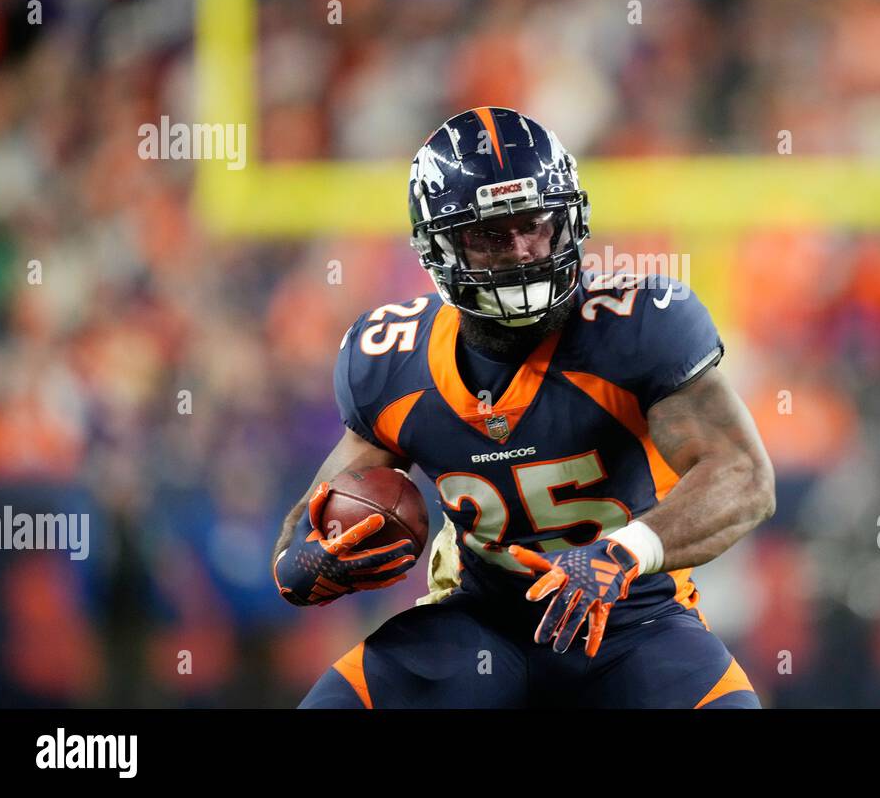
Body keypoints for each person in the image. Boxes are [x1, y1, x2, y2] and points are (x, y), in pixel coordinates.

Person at [272, 106, 774, 708]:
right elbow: (315, 515)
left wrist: (623, 552)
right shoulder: (391, 359)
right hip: (477, 624)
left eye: (532, 223)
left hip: (635, 627)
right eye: (487, 235)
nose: (518, 251)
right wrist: (305, 562)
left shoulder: (639, 325)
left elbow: (744, 477)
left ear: (569, 220)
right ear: (439, 246)